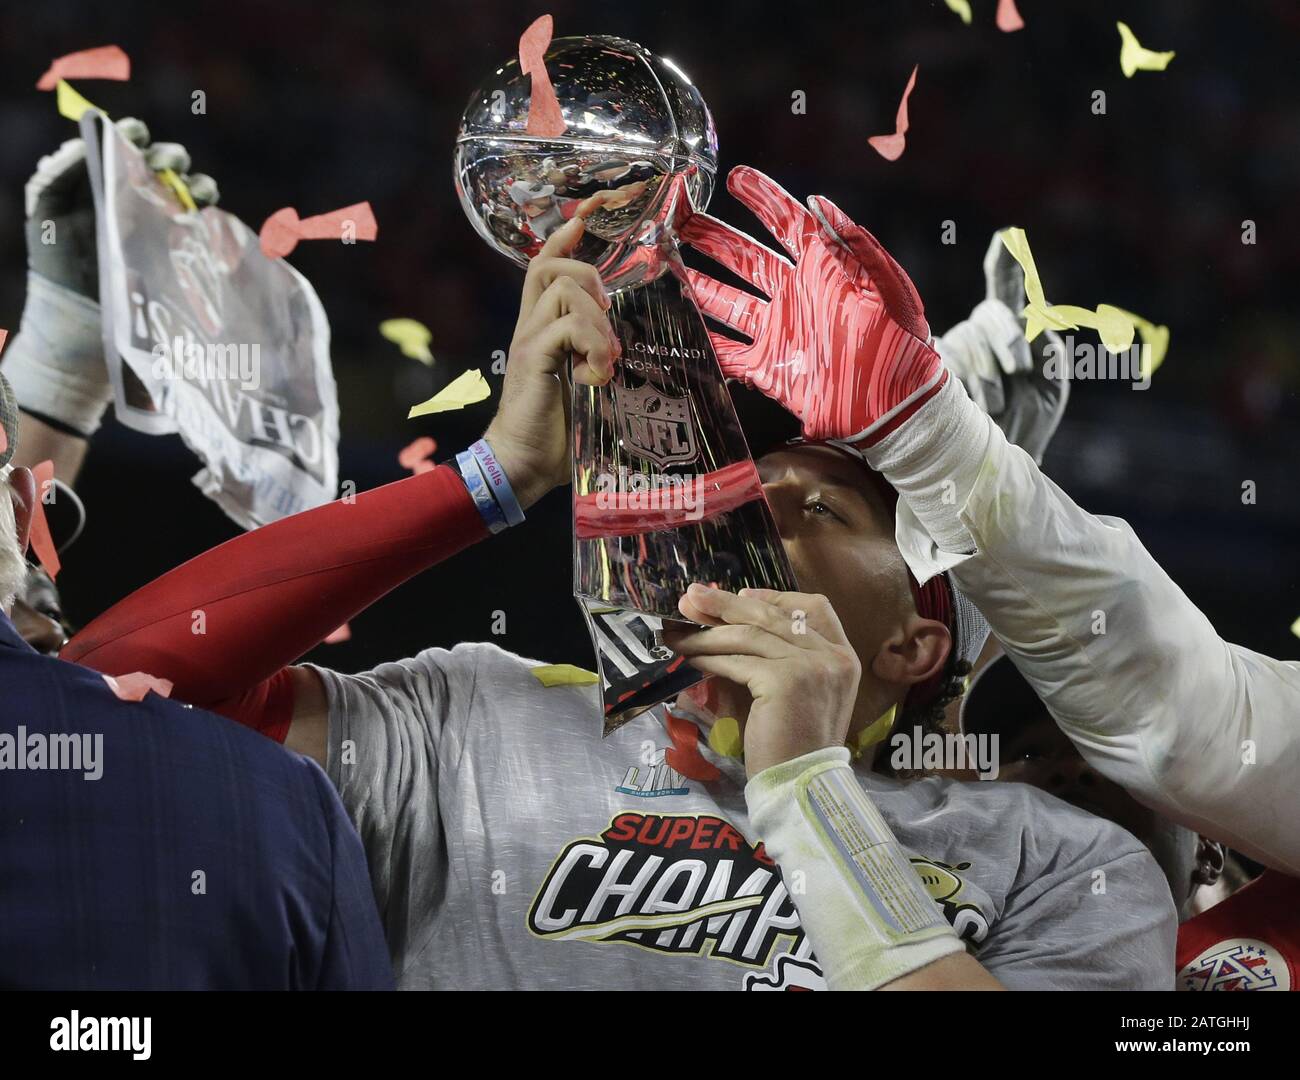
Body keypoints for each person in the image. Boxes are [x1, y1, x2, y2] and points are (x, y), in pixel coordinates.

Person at [63, 210, 1176, 990]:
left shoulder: (1054, 861)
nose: (749, 510)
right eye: (749, 483)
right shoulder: (478, 718)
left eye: (821, 512)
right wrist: (490, 478)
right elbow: (112, 694)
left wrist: (803, 780)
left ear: (913, 644)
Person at [678, 166, 1300, 878]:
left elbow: (1196, 736)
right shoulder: (568, 736)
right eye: (748, 500)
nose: (765, 521)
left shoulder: (1049, 871)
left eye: (824, 510)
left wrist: (943, 451)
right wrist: (515, 471)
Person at [0, 370, 393, 990]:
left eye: (53, 621)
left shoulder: (270, 795)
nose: (60, 647)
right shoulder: (275, 801)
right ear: (24, 514)